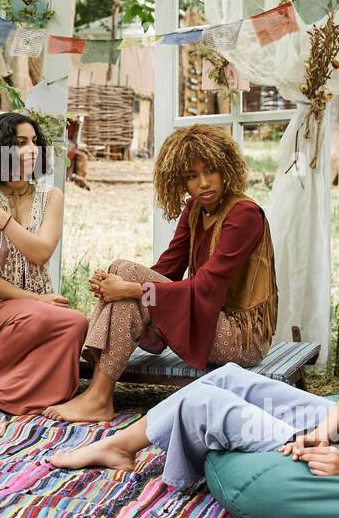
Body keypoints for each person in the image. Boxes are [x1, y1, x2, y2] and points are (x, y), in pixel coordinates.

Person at [53, 200, 339, 509]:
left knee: (206, 402)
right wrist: (327, 423)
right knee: (227, 378)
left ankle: (125, 450)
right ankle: (120, 447)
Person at [45, 125, 276, 423]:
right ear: (179, 182)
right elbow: (166, 270)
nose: (204, 183)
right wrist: (113, 285)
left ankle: (98, 396)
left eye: (211, 171)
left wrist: (131, 290)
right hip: (204, 319)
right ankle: (97, 397)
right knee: (121, 272)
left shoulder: (244, 215)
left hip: (241, 337)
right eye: (192, 176)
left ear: (226, 168)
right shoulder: (194, 209)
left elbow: (206, 287)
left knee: (127, 277)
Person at [0, 112, 87, 418]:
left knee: (77, 323)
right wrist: (37, 300)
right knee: (46, 318)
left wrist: (2, 218)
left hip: (41, 311)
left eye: (34, 142)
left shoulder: (51, 197)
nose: (31, 149)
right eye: (20, 143)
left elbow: (41, 252)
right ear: (0, 150)